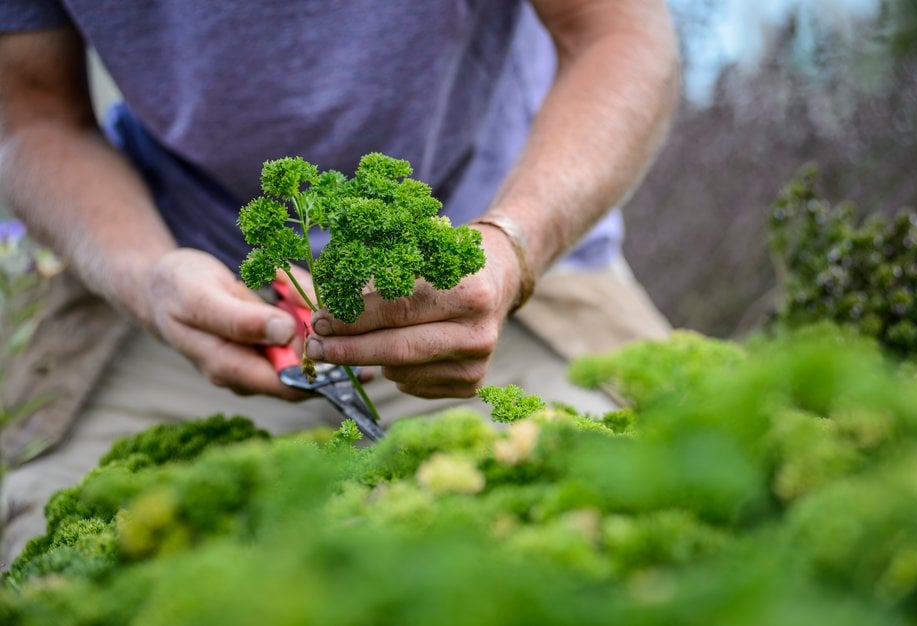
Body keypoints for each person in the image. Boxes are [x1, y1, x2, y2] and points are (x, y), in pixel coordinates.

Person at [0, 1, 678, 564]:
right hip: (174, 274)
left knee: (617, 534)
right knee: (48, 560)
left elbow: (620, 32)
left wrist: (513, 244)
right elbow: (31, 113)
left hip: (503, 249)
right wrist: (144, 277)